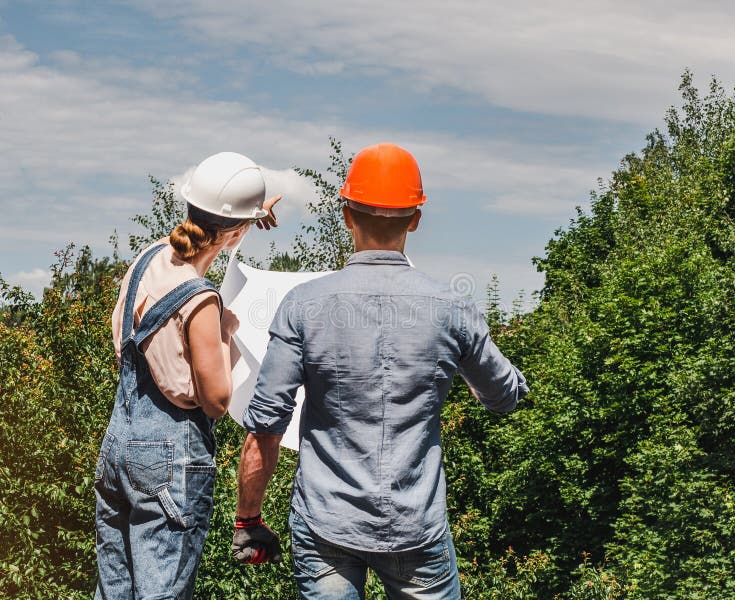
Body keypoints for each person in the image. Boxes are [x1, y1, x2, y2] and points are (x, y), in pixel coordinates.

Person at [232, 142, 529, 599]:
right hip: (415, 525)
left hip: (325, 523)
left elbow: (265, 426)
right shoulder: (452, 309)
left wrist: (248, 520)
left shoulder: (304, 307)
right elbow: (504, 396)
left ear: (347, 215)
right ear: (415, 219)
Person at [94, 152, 281, 599]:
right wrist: (226, 332)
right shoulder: (203, 301)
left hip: (118, 444)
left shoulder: (149, 257)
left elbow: (194, 255)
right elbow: (217, 399)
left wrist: (245, 223)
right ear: (235, 230)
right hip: (169, 459)